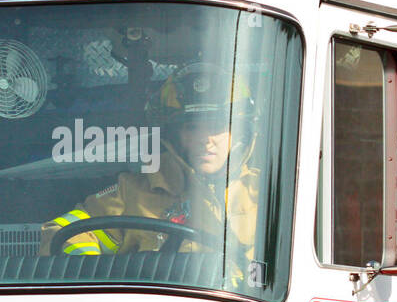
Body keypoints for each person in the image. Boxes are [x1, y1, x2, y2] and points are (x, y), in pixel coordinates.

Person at [39, 64, 259, 259]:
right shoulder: (134, 190)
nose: (206, 140)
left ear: (239, 134)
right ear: (174, 135)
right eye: (192, 128)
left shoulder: (264, 197)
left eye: (217, 127)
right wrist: (87, 272)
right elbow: (61, 230)